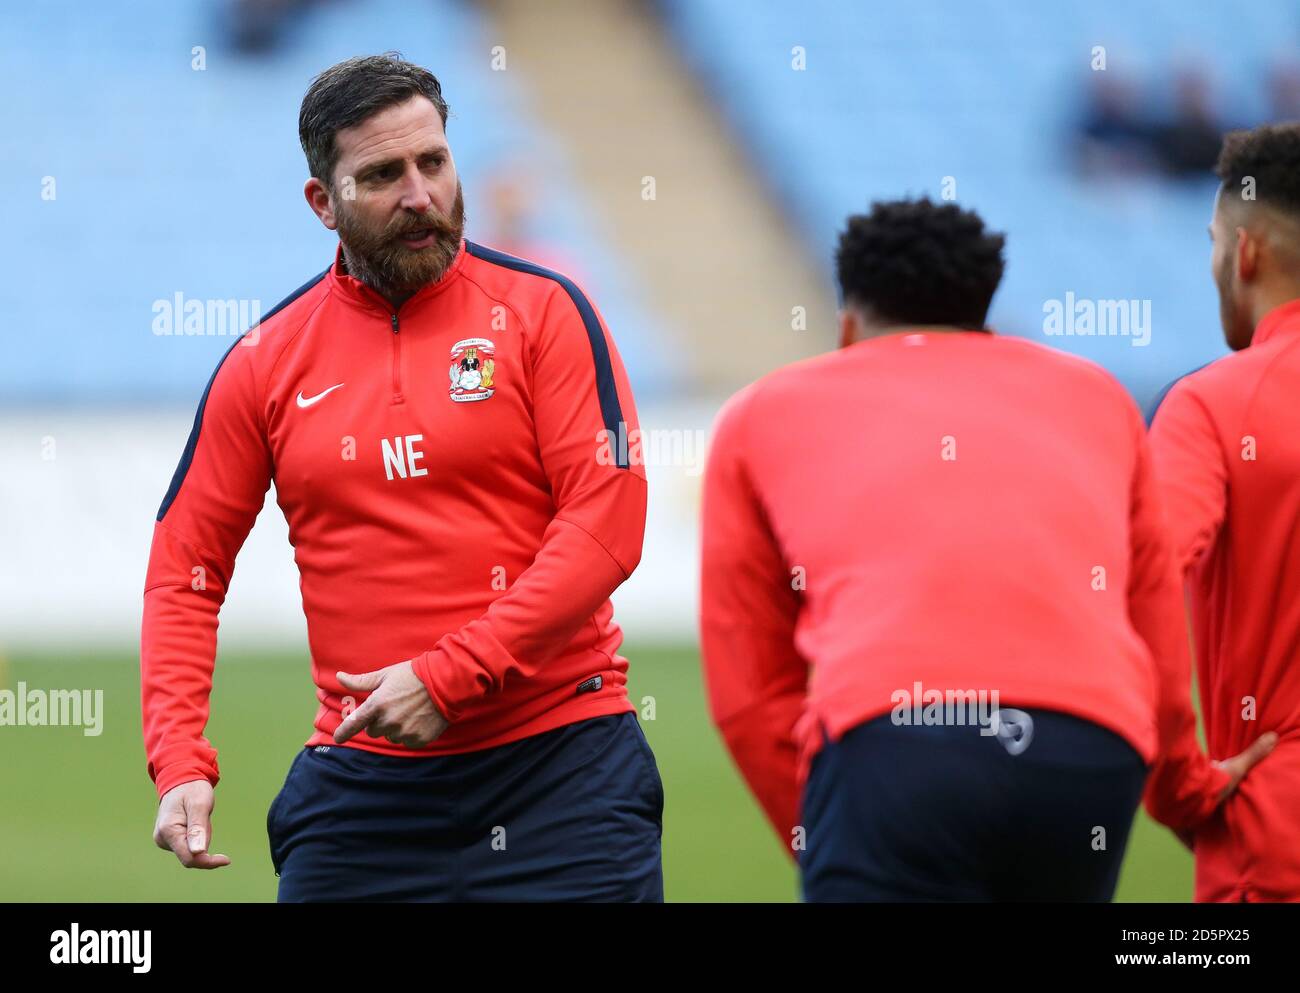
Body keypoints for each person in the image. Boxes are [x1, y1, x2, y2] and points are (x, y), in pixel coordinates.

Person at [142, 53, 660, 901]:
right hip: (362, 795)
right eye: (383, 174)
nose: (420, 195)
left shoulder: (544, 311)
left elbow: (606, 525)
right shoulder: (263, 362)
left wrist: (449, 675)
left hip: (563, 774)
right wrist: (178, 758)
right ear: (323, 203)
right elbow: (184, 572)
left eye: (434, 162)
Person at [699, 197, 1272, 902]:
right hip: (1087, 753)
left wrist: (824, 827)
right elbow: (1151, 625)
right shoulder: (1095, 395)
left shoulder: (760, 413)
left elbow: (748, 688)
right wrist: (1184, 791)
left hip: (896, 741)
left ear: (848, 325)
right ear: (985, 318)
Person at [1148, 123, 1300, 902]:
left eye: (1213, 240)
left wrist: (1177, 787)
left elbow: (1138, 599)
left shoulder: (1212, 404)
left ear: (1244, 254)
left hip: (1274, 843)